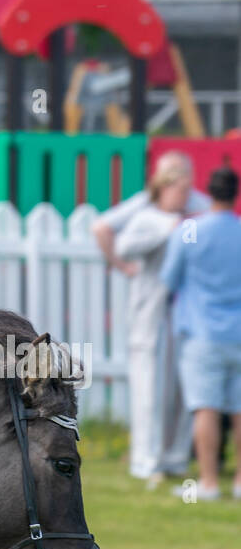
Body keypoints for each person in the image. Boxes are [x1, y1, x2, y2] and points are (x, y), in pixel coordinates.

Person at [160, 165, 241, 501]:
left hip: (202, 332)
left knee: (205, 408)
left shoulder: (190, 230)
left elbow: (169, 279)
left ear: (209, 191)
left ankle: (208, 482)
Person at [113, 160, 194, 485]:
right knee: (149, 390)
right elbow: (124, 247)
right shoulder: (148, 218)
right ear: (164, 188)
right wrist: (166, 231)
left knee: (179, 388)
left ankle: (175, 457)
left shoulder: (189, 218)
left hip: (182, 314)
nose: (184, 196)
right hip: (149, 315)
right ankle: (147, 461)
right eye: (180, 189)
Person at [92, 150, 210, 277]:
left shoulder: (198, 208)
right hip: (150, 287)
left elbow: (192, 247)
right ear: (163, 183)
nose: (181, 181)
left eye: (183, 174)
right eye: (173, 175)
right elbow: (121, 245)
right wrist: (123, 266)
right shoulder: (145, 214)